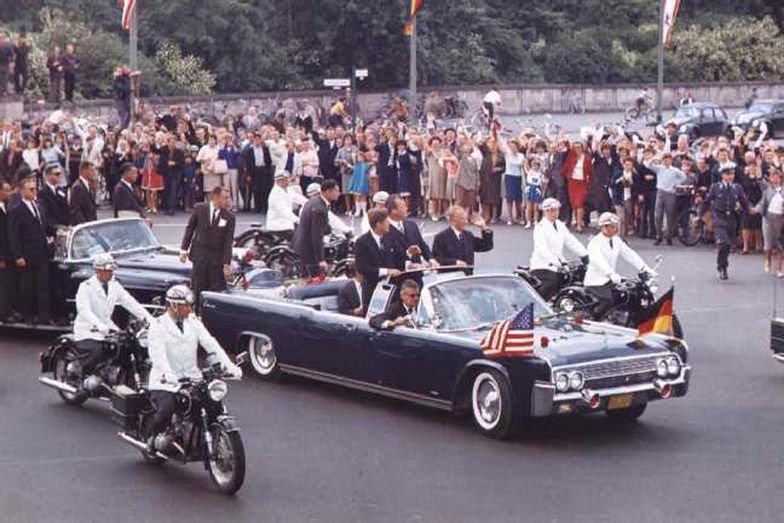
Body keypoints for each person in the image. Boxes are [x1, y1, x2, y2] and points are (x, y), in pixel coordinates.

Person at [145, 284, 241, 452]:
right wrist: (168, 374)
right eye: (186, 305)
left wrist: (229, 365)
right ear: (174, 306)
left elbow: (210, 343)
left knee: (214, 405)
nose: (190, 309)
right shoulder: (158, 325)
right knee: (166, 410)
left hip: (193, 377)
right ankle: (152, 438)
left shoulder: (193, 321)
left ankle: (208, 438)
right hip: (165, 380)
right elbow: (157, 355)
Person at [73, 253, 153, 377]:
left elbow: (130, 302)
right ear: (98, 271)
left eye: (111, 270)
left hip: (109, 328)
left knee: (128, 346)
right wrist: (98, 325)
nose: (111, 273)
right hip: (88, 330)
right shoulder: (86, 287)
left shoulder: (114, 285)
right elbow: (84, 310)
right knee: (99, 351)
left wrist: (149, 318)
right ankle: (83, 378)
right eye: (107, 271)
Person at [584, 212, 656, 320]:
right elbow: (599, 261)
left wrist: (644, 267)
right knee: (609, 300)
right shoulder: (594, 243)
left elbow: (629, 254)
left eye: (615, 226)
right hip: (596, 281)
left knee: (630, 293)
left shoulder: (616, 240)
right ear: (604, 227)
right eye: (613, 226)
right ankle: (592, 319)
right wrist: (611, 273)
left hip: (611, 280)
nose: (615, 229)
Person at [179, 186, 236, 309]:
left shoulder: (229, 217)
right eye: (225, 198)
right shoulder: (199, 208)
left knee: (214, 290)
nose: (228, 201)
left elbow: (228, 242)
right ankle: (196, 312)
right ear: (215, 197)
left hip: (216, 260)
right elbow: (190, 229)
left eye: (228, 198)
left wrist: (226, 263)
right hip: (199, 256)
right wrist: (184, 249)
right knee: (197, 287)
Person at [9, 177, 51, 324]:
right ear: (22, 191)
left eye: (35, 189)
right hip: (27, 254)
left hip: (42, 253)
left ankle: (43, 316)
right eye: (31, 189)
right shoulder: (16, 210)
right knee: (28, 287)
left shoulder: (39, 206)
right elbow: (14, 236)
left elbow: (44, 227)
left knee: (43, 286)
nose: (34, 192)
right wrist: (18, 255)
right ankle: (28, 315)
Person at [529, 198, 588, 301]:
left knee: (576, 277)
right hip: (542, 264)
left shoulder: (560, 225)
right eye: (552, 210)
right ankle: (540, 303)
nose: (555, 213)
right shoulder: (540, 228)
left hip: (559, 263)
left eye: (557, 210)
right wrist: (557, 263)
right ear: (546, 211)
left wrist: (584, 254)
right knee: (553, 281)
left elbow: (571, 241)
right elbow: (542, 249)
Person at [703, 164, 749, 281]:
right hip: (719, 217)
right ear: (722, 175)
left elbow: (744, 202)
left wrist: (750, 210)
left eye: (732, 174)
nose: (730, 176)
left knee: (728, 245)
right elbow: (707, 201)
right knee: (723, 243)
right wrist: (700, 216)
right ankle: (722, 267)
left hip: (732, 219)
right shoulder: (715, 187)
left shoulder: (737, 187)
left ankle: (723, 263)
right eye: (728, 174)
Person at [354, 208, 402, 310]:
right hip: (372, 291)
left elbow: (398, 256)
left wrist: (408, 262)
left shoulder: (389, 237)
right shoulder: (362, 242)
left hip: (390, 290)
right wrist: (386, 271)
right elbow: (362, 268)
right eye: (386, 222)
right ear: (378, 224)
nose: (388, 224)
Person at [291, 179, 340, 278]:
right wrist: (320, 260)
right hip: (309, 250)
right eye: (336, 191)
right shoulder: (319, 209)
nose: (339, 193)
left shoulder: (313, 202)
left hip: (301, 245)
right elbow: (316, 236)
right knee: (313, 281)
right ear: (328, 191)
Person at [432, 205, 493, 269]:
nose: (466, 222)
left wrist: (483, 227)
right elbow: (437, 259)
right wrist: (455, 262)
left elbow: (487, 246)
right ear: (454, 220)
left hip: (466, 276)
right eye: (463, 219)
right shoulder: (441, 237)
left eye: (466, 219)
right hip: (450, 275)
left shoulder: (468, 235)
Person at [646, 152, 688, 246]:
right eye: (665, 159)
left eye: (668, 159)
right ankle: (659, 236)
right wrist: (655, 157)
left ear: (671, 160)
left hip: (670, 193)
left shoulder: (674, 170)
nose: (666, 161)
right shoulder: (659, 168)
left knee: (670, 216)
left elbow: (684, 177)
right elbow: (648, 165)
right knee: (657, 215)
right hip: (660, 192)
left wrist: (675, 183)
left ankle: (669, 236)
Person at [386, 194, 438, 269]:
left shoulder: (411, 225)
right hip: (399, 275)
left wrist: (431, 259)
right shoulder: (385, 230)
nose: (406, 208)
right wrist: (408, 262)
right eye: (403, 207)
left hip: (418, 274)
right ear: (394, 211)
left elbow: (422, 245)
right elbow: (389, 257)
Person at [0, 181, 18, 322]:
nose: (9, 193)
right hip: (2, 255)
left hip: (9, 253)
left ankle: (9, 309)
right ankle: (3, 314)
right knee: (3, 285)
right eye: (6, 190)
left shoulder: (6, 206)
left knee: (10, 283)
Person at [242, 132, 272, 213]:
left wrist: (268, 171)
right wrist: (248, 174)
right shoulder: (250, 150)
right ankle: (257, 208)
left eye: (259, 140)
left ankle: (264, 208)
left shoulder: (265, 149)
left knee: (264, 190)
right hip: (254, 171)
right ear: (253, 140)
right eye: (256, 140)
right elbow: (247, 163)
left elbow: (269, 161)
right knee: (256, 190)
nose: (257, 141)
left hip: (263, 170)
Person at [265, 173, 299, 240]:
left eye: (287, 179)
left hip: (287, 224)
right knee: (299, 239)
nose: (287, 181)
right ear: (278, 181)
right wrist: (297, 220)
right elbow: (284, 211)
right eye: (284, 180)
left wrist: (310, 203)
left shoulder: (288, 190)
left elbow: (297, 198)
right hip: (278, 226)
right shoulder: (275, 194)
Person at [39, 164, 69, 228]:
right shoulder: (43, 192)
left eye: (60, 174)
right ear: (48, 176)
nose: (59, 176)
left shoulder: (61, 190)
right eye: (57, 174)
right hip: (53, 228)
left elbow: (66, 208)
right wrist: (56, 227)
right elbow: (46, 213)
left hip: (64, 226)